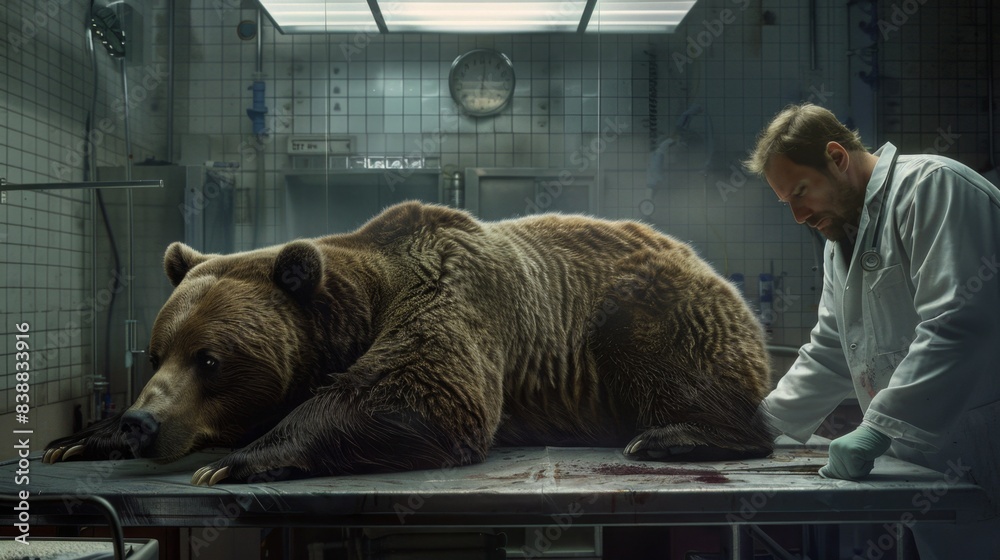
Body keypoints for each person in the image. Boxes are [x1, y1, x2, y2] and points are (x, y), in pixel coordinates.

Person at [744, 103, 1000, 559]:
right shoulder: (840, 239)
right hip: (934, 469)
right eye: (788, 203)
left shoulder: (932, 187)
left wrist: (878, 428)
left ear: (837, 157)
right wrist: (759, 426)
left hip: (985, 452)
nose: (799, 215)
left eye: (801, 191)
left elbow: (959, 323)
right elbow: (832, 350)